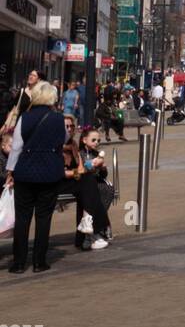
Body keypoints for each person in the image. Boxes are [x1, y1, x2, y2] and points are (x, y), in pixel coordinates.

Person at [5, 80, 67, 272]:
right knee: (43, 217)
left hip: (25, 172)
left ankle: (19, 262)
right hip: (50, 172)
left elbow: (16, 148)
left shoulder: (25, 117)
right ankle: (40, 262)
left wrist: (11, 171)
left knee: (23, 218)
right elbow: (64, 139)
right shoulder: (58, 118)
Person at [65, 122, 112, 250]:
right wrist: (89, 166)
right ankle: (95, 233)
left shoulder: (96, 153)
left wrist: (102, 167)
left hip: (92, 181)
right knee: (92, 193)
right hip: (82, 181)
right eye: (93, 140)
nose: (96, 142)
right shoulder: (78, 152)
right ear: (84, 140)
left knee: (106, 190)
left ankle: (89, 232)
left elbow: (103, 175)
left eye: (98, 140)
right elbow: (78, 170)